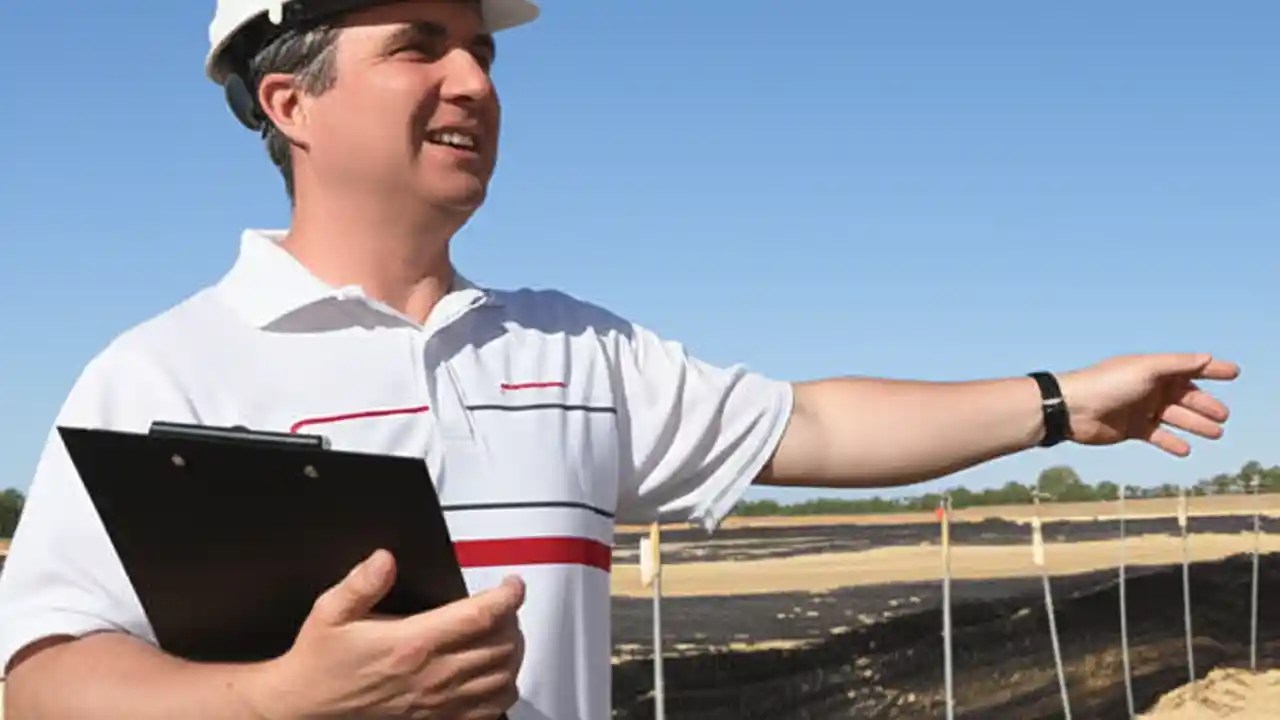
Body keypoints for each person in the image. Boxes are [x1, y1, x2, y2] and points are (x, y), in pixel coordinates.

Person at [0, 0, 1240, 718]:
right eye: (421, 43)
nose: (474, 79)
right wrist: (282, 699)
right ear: (290, 103)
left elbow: (811, 429)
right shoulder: (164, 372)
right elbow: (41, 677)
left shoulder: (575, 346)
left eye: (485, 49)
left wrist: (1058, 403)